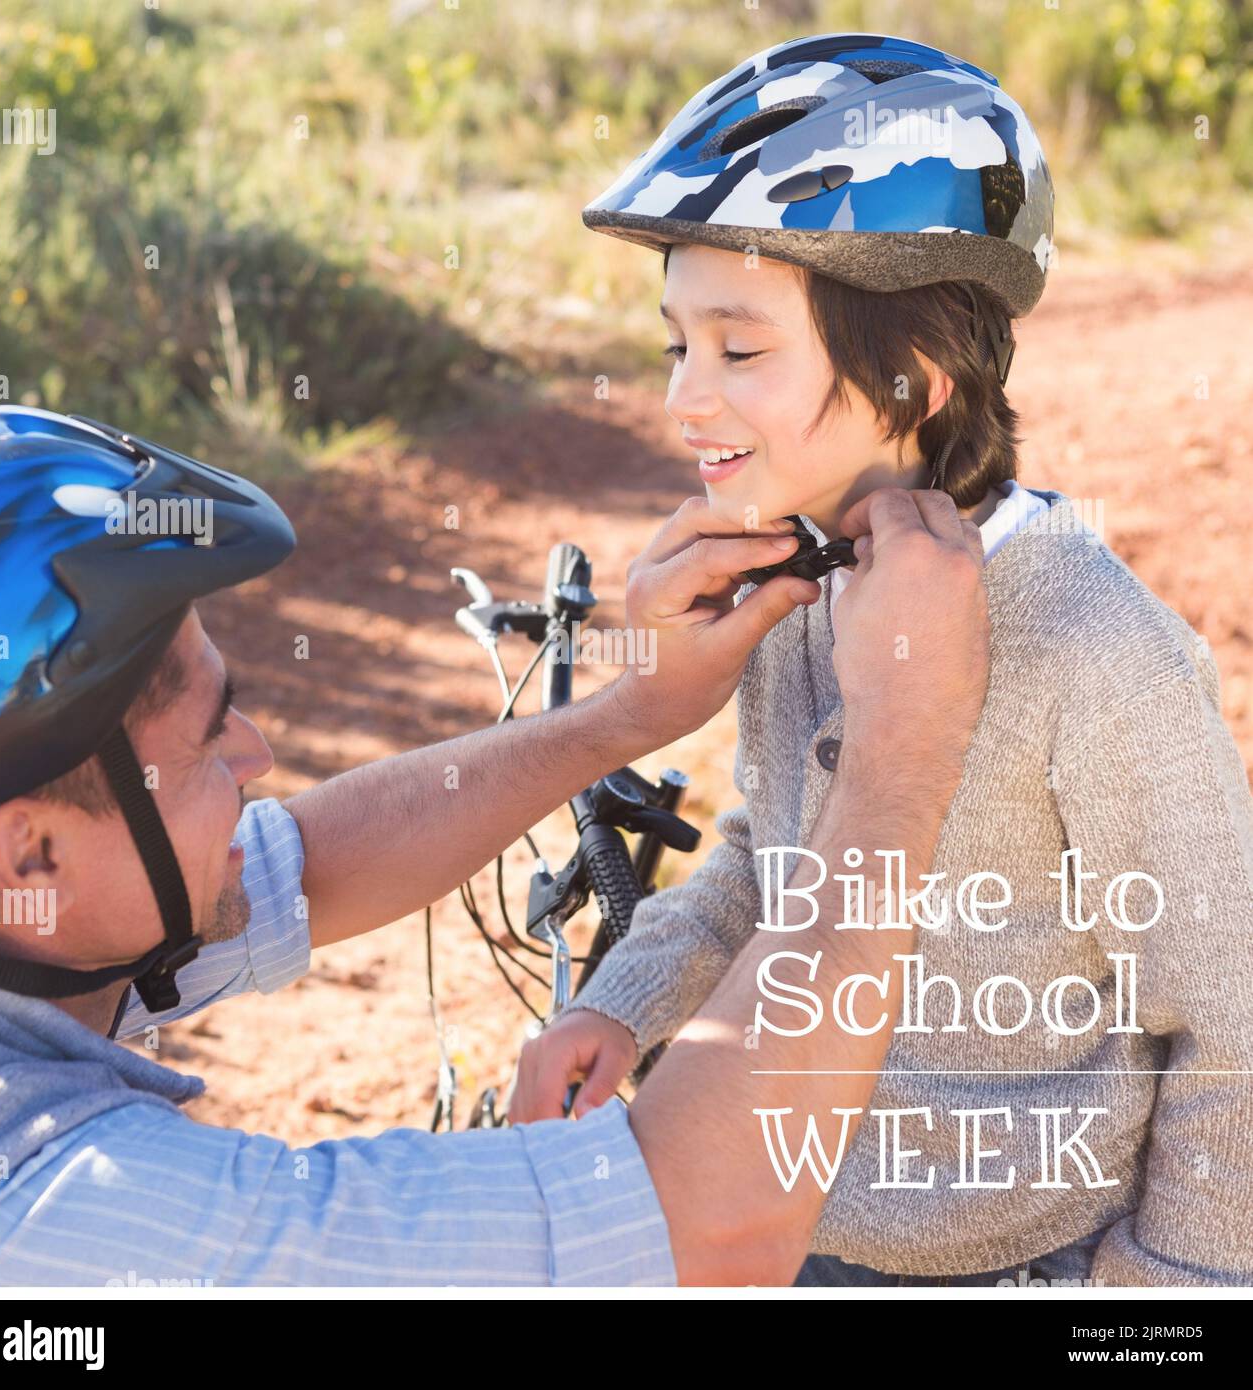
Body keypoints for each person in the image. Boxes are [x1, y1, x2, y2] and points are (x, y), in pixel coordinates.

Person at [508, 33, 1253, 1287]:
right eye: (673, 347)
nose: (686, 401)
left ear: (913, 376)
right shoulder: (798, 586)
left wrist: (1160, 1299)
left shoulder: (1092, 644)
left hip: (1025, 1264)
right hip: (790, 1237)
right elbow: (772, 859)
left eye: (739, 352)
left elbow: (1231, 1026)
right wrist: (618, 1003)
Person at [0, 405, 989, 1286]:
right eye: (209, 741)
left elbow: (303, 863)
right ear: (31, 855)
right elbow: (703, 1225)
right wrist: (903, 745)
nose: (259, 754)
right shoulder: (51, 1219)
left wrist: (627, 711)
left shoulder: (11, 931)